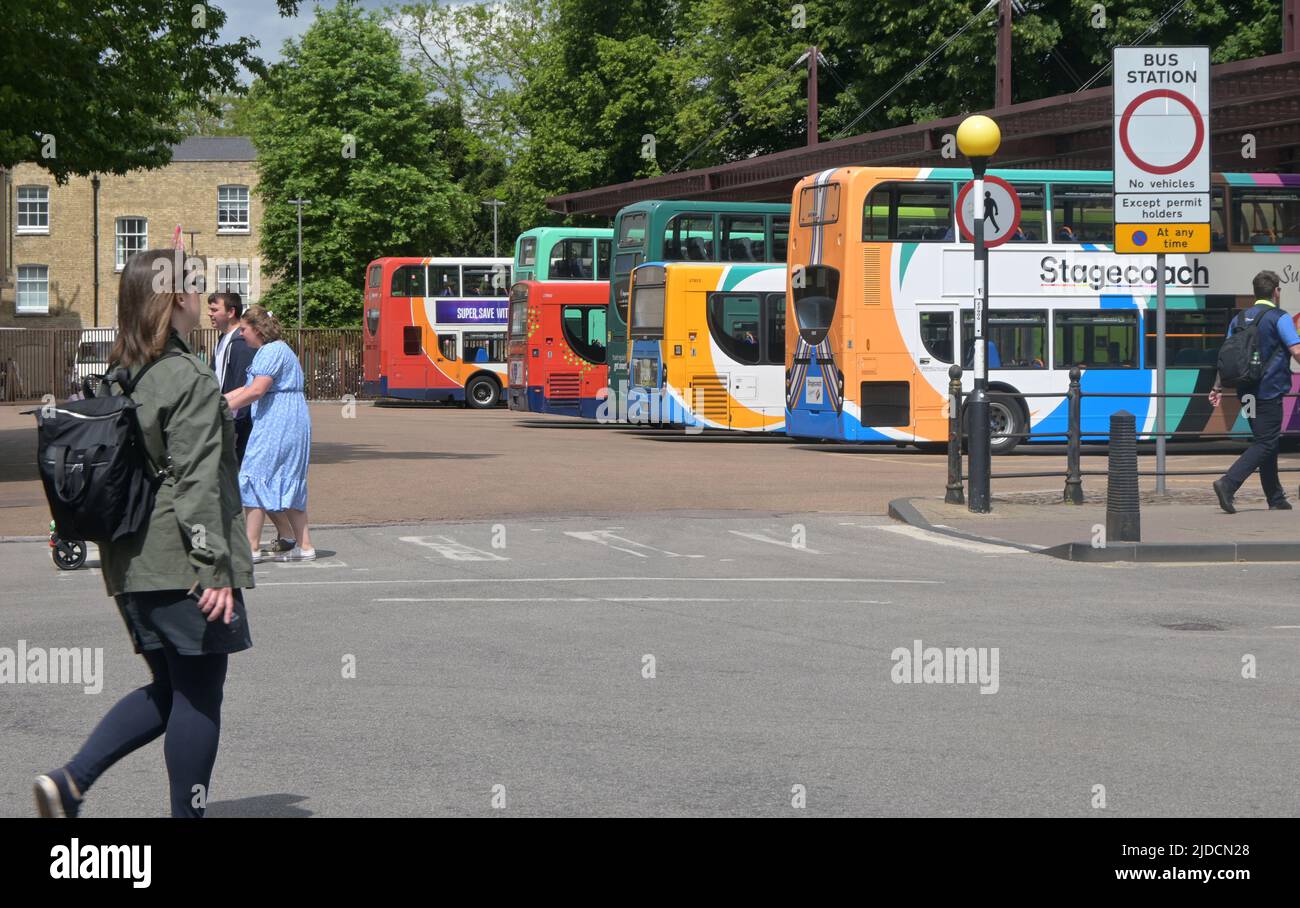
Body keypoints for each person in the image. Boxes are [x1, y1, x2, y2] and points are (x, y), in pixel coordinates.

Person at [33, 249, 253, 819]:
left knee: (170, 690)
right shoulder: (187, 376)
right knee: (200, 694)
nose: (205, 296)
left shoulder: (122, 373)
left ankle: (71, 781)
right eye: (196, 284)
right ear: (174, 297)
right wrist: (214, 568)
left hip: (127, 560)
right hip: (181, 560)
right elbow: (197, 480)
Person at [209, 292, 298, 558]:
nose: (211, 314)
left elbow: (249, 388)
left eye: (215, 309)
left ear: (232, 312)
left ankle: (251, 543)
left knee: (249, 480)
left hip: (243, 421)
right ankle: (287, 534)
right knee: (248, 481)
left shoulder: (242, 343)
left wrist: (225, 409)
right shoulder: (226, 340)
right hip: (234, 415)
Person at [224, 305, 315, 561]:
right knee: (288, 479)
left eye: (244, 329)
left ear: (258, 329)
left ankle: (250, 547)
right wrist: (218, 401)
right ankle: (305, 546)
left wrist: (221, 408)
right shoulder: (277, 349)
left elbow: (255, 391)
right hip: (289, 417)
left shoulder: (271, 351)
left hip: (278, 420)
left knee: (253, 476)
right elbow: (247, 388)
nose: (241, 334)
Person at [1209, 269, 1300, 513]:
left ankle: (1275, 497)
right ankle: (1228, 484)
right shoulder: (1279, 317)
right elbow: (1297, 351)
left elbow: (1226, 357)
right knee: (1266, 442)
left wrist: (1217, 387)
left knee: (1265, 440)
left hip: (1246, 393)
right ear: (1276, 292)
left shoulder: (1238, 319)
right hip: (1268, 392)